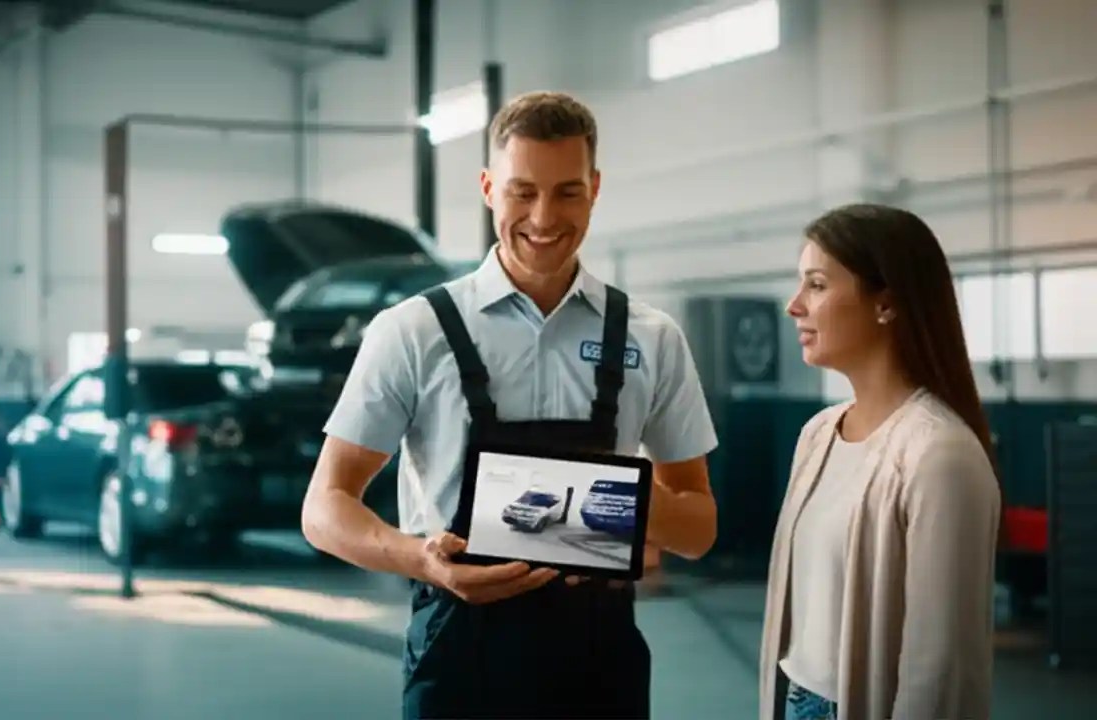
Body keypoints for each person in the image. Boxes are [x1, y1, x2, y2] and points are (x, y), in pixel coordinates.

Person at [301, 90, 720, 720]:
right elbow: (323, 508)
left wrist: (602, 506)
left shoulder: (651, 337)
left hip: (599, 661)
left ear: (596, 187)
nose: (544, 216)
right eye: (522, 191)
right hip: (458, 652)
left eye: (568, 191)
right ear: (488, 186)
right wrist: (425, 561)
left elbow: (699, 528)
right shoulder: (413, 331)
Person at [759, 204, 1002, 720]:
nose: (793, 306)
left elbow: (939, 672)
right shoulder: (817, 434)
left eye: (817, 285)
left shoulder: (939, 455)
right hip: (797, 696)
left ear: (885, 303)